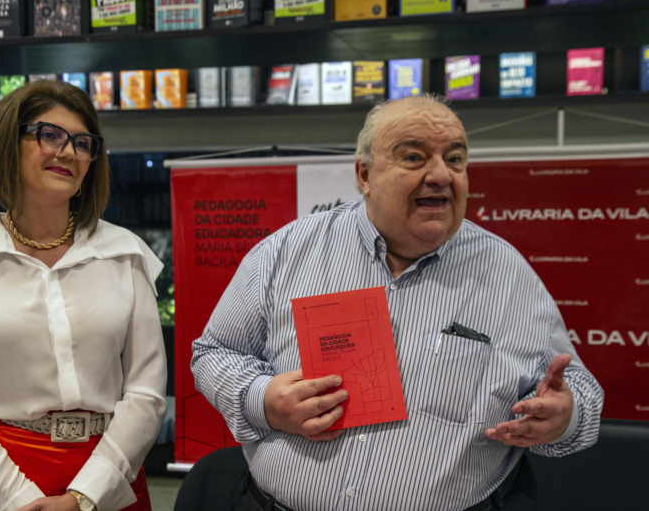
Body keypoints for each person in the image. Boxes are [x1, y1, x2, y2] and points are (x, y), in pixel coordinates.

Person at [190, 94, 604, 511]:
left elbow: (579, 394)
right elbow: (214, 353)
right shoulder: (285, 252)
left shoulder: (509, 275)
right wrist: (263, 401)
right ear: (365, 174)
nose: (441, 174)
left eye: (456, 159)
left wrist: (563, 419)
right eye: (413, 157)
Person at [0, 80, 167, 511]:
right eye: (49, 135)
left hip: (107, 477)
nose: (67, 152)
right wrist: (17, 497)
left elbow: (146, 392)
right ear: (9, 146)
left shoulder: (126, 255)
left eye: (83, 143)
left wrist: (85, 494)